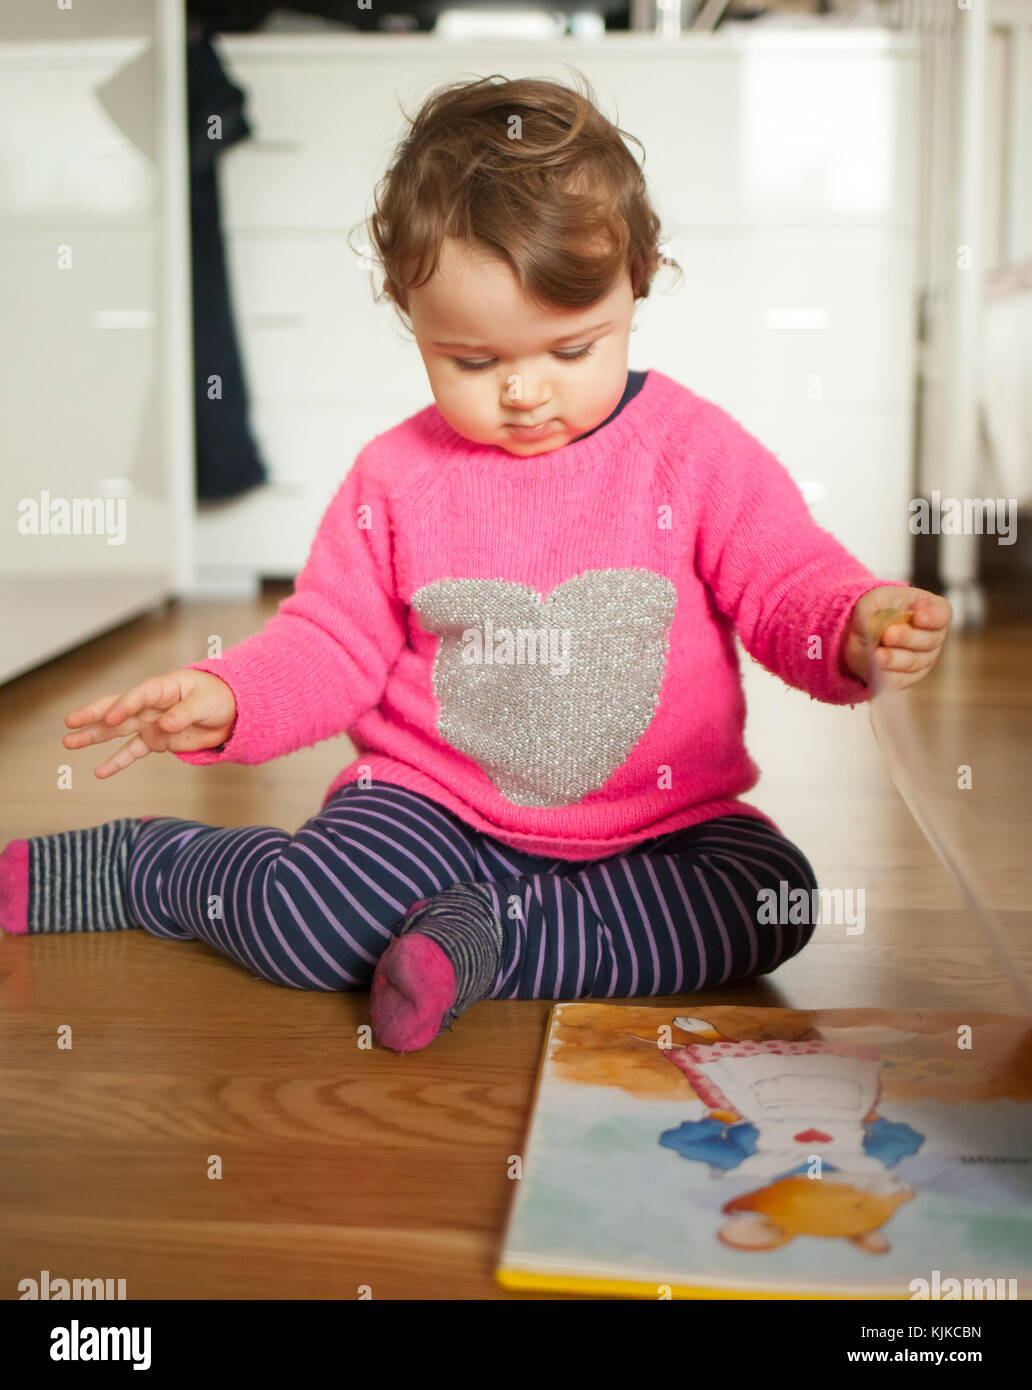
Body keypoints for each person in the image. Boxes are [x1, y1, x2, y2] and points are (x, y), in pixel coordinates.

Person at [0, 74, 951, 1053]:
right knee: (307, 920)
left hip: (661, 823)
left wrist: (855, 617)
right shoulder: (396, 476)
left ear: (640, 280)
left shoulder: (695, 453)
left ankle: (492, 938)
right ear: (410, 317)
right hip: (432, 806)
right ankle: (146, 868)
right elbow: (332, 641)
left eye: (573, 349)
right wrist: (231, 695)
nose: (527, 393)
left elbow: (784, 576)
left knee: (775, 895)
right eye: (473, 362)